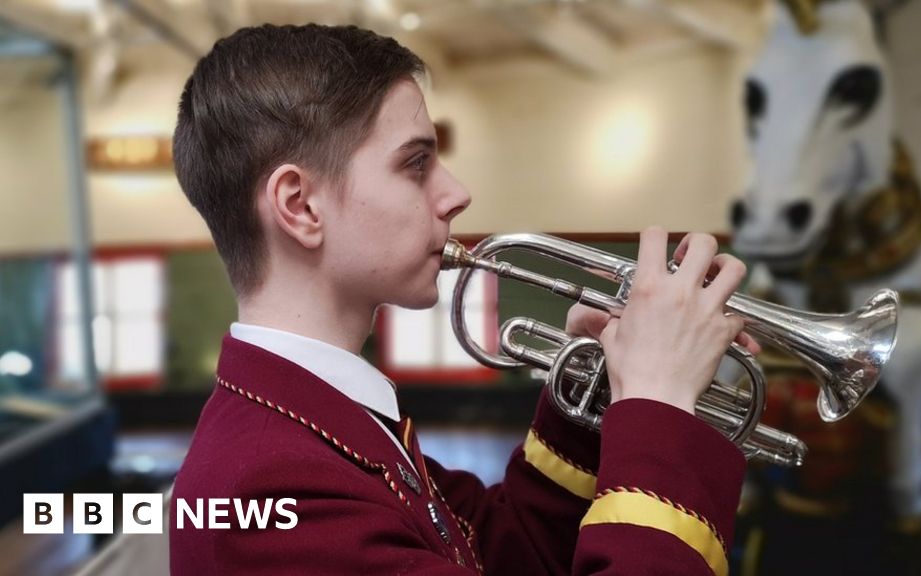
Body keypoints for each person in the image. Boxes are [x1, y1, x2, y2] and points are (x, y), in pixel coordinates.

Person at [169, 23, 757, 575]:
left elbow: (503, 552)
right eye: (415, 164)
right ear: (300, 205)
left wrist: (595, 393)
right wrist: (658, 405)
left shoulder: (324, 422)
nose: (456, 194)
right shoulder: (269, 497)